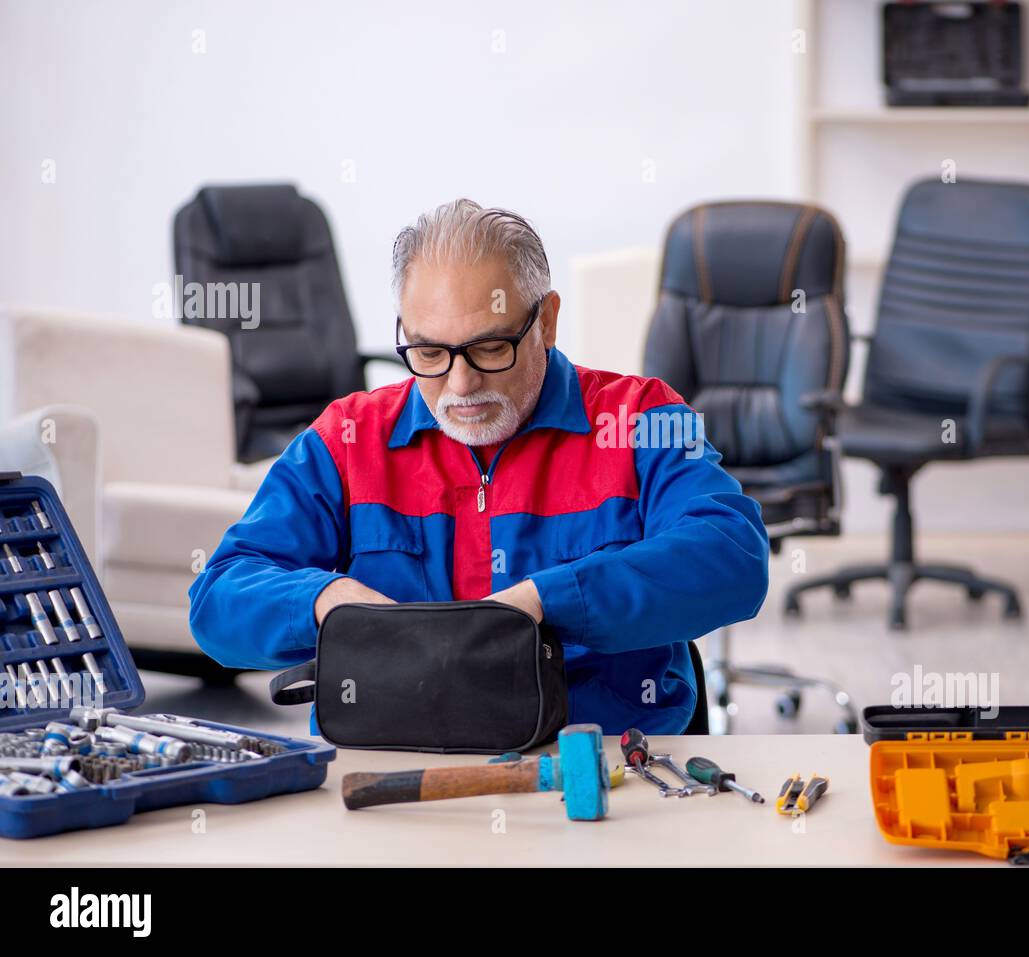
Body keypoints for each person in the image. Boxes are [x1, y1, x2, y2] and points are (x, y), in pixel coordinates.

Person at [189, 199, 768, 734]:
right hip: (393, 775)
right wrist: (327, 603)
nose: (460, 386)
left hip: (603, 773)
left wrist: (545, 603)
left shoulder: (641, 418)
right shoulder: (347, 438)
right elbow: (217, 600)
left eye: (490, 348)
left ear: (546, 321)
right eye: (429, 353)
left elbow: (732, 556)